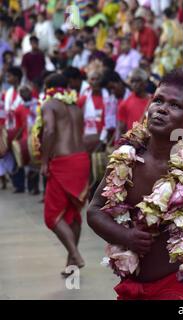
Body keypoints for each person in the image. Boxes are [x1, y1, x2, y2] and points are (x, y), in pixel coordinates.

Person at [87, 69, 183, 300]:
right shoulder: (126, 158)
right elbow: (94, 211)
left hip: (181, 285)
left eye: (174, 105)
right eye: (158, 100)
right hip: (132, 285)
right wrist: (126, 237)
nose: (161, 108)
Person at [40, 73, 90, 276]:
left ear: (48, 88)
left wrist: (44, 161)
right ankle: (71, 263)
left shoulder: (49, 104)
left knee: (51, 216)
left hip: (63, 162)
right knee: (72, 213)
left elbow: (50, 131)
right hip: (81, 160)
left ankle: (75, 254)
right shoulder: (75, 106)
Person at [117, 68, 150, 137]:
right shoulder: (125, 103)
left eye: (137, 81)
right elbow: (121, 129)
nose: (134, 84)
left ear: (145, 83)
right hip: (132, 143)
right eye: (132, 81)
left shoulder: (153, 101)